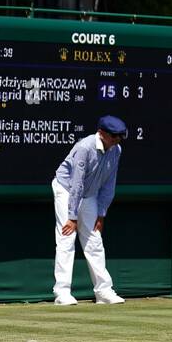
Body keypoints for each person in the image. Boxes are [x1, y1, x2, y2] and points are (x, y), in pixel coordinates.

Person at [51, 115, 127, 306]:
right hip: (66, 189)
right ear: (101, 133)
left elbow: (110, 183)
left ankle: (103, 291)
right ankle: (62, 292)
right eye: (114, 136)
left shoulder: (116, 150)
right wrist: (72, 216)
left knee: (94, 240)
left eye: (120, 136)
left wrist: (101, 213)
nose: (117, 140)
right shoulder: (85, 147)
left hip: (90, 194)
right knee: (67, 237)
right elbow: (76, 183)